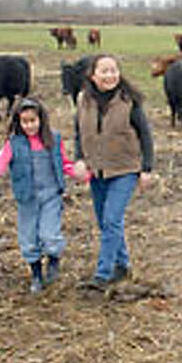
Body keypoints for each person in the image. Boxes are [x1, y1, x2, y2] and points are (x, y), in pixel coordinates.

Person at [0, 97, 89, 294]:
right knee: (29, 237)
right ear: (18, 122)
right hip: (27, 198)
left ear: (41, 120)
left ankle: (54, 259)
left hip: (51, 195)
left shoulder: (53, 140)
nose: (30, 125)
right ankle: (36, 273)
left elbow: (63, 163)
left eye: (33, 121)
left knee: (50, 234)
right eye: (25, 121)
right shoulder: (14, 144)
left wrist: (81, 174)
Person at [71, 54, 156, 290]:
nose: (110, 76)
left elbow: (146, 136)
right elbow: (80, 132)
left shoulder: (130, 101)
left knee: (111, 220)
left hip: (125, 169)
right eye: (104, 71)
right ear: (92, 75)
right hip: (97, 170)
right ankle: (122, 265)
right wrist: (79, 158)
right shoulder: (82, 100)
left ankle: (103, 274)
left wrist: (147, 168)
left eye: (114, 71)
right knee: (105, 222)